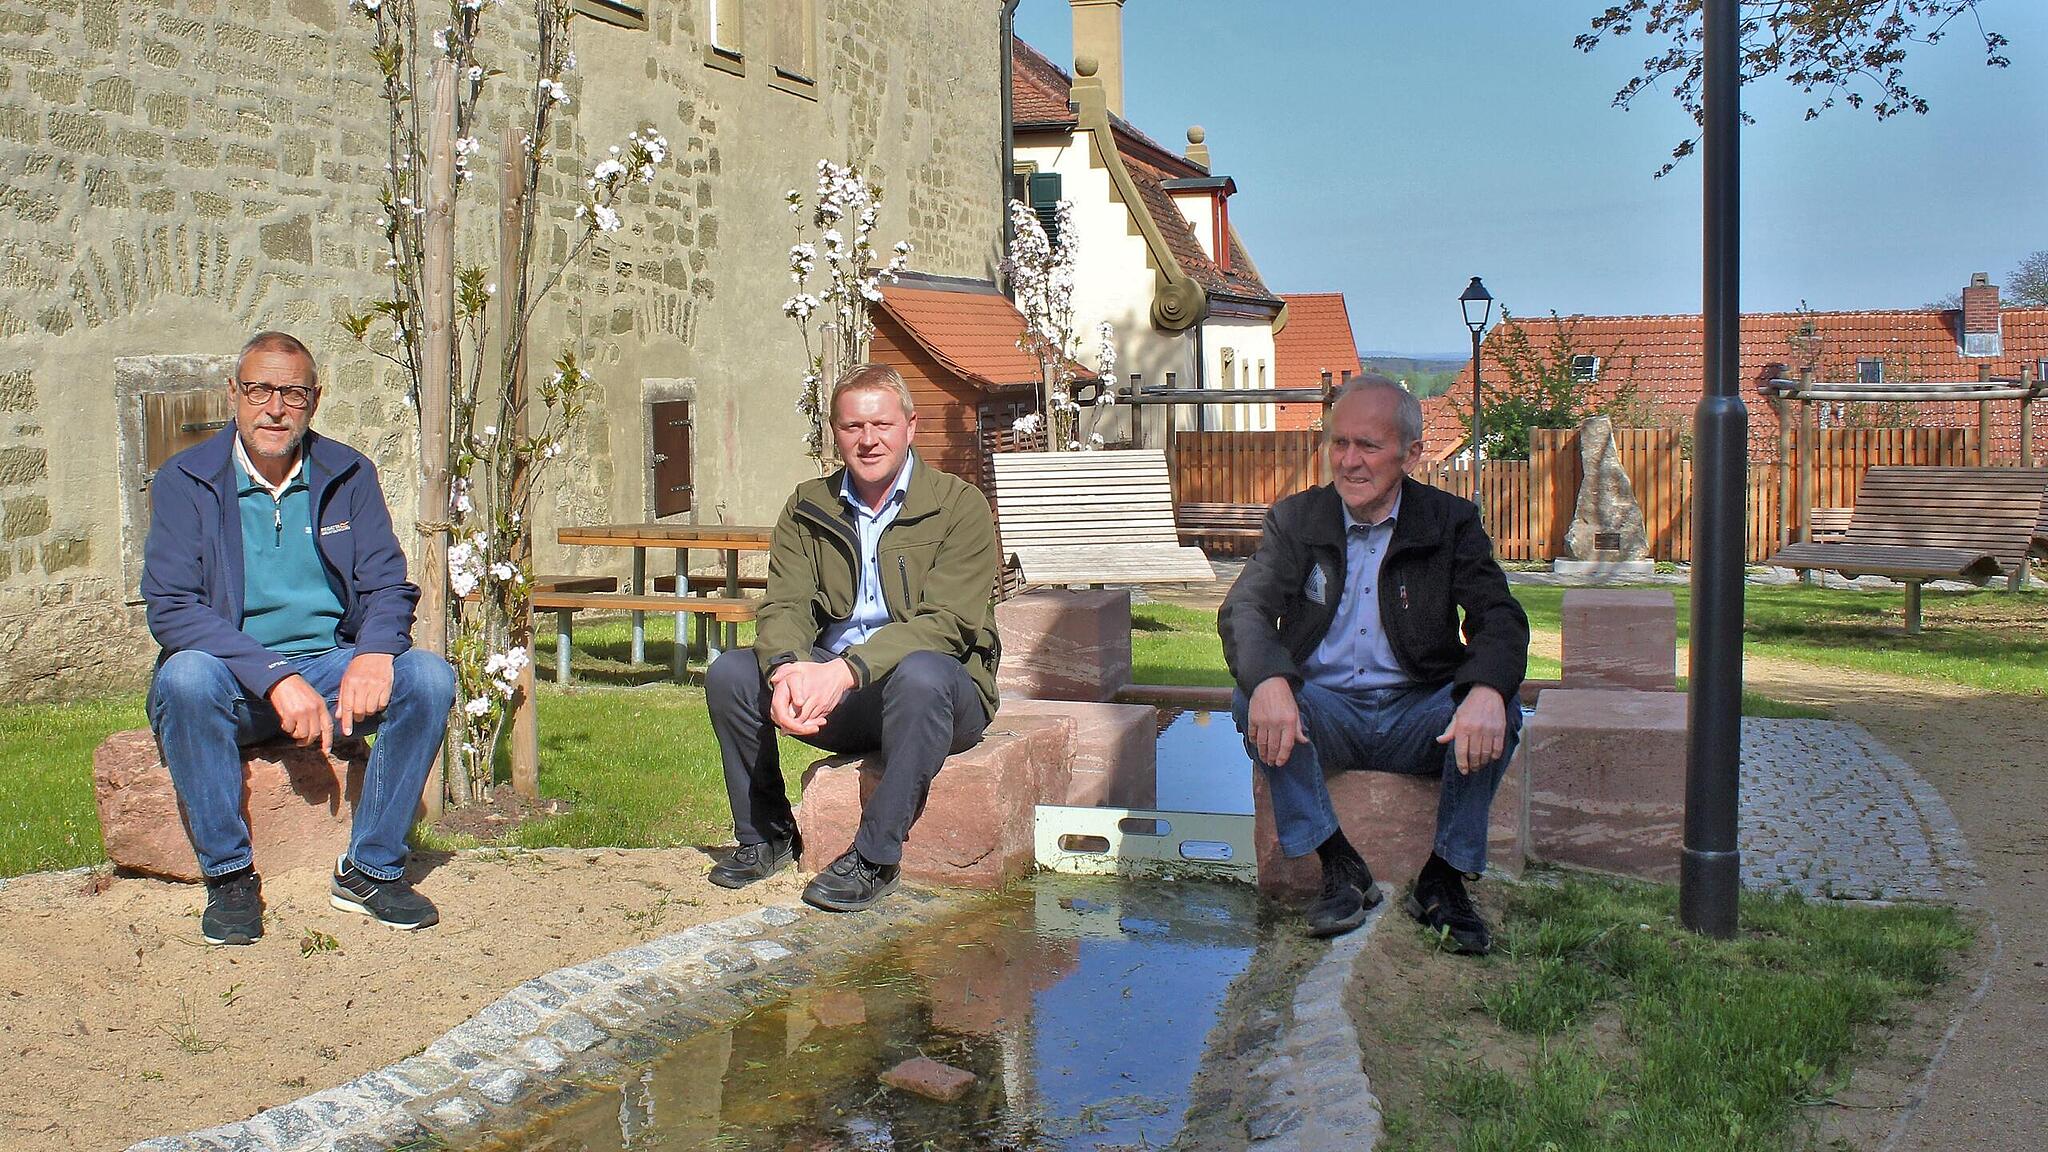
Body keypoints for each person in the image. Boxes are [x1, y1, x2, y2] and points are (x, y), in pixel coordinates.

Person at [142, 330, 456, 945]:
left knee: (427, 677)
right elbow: (172, 609)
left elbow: (389, 586)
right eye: (260, 389)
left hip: (330, 669)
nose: (275, 408)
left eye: (292, 392)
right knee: (184, 676)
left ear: (315, 398)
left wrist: (372, 653)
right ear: (234, 393)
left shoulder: (347, 474)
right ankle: (229, 877)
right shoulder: (186, 480)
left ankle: (370, 868)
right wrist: (275, 677)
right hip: (231, 679)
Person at [1219, 375, 1528, 952]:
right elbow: (1246, 610)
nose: (1349, 462)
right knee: (1251, 695)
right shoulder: (1296, 521)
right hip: (1325, 715)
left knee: (1500, 704)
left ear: (1411, 454)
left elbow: (1499, 618)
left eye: (1368, 446)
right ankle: (1338, 864)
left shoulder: (1449, 522)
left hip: (1421, 718)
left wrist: (1486, 689)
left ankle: (1445, 878)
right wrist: (1268, 680)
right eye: (1340, 444)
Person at [705, 363, 1000, 913]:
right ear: (836, 433)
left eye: (882, 425)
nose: (868, 441)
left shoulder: (959, 506)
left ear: (910, 427)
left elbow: (949, 624)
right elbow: (787, 604)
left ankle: (874, 857)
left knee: (922, 672)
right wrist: (789, 670)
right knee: (731, 674)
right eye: (852, 427)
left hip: (936, 696)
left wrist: (843, 671)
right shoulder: (808, 505)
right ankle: (766, 835)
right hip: (842, 692)